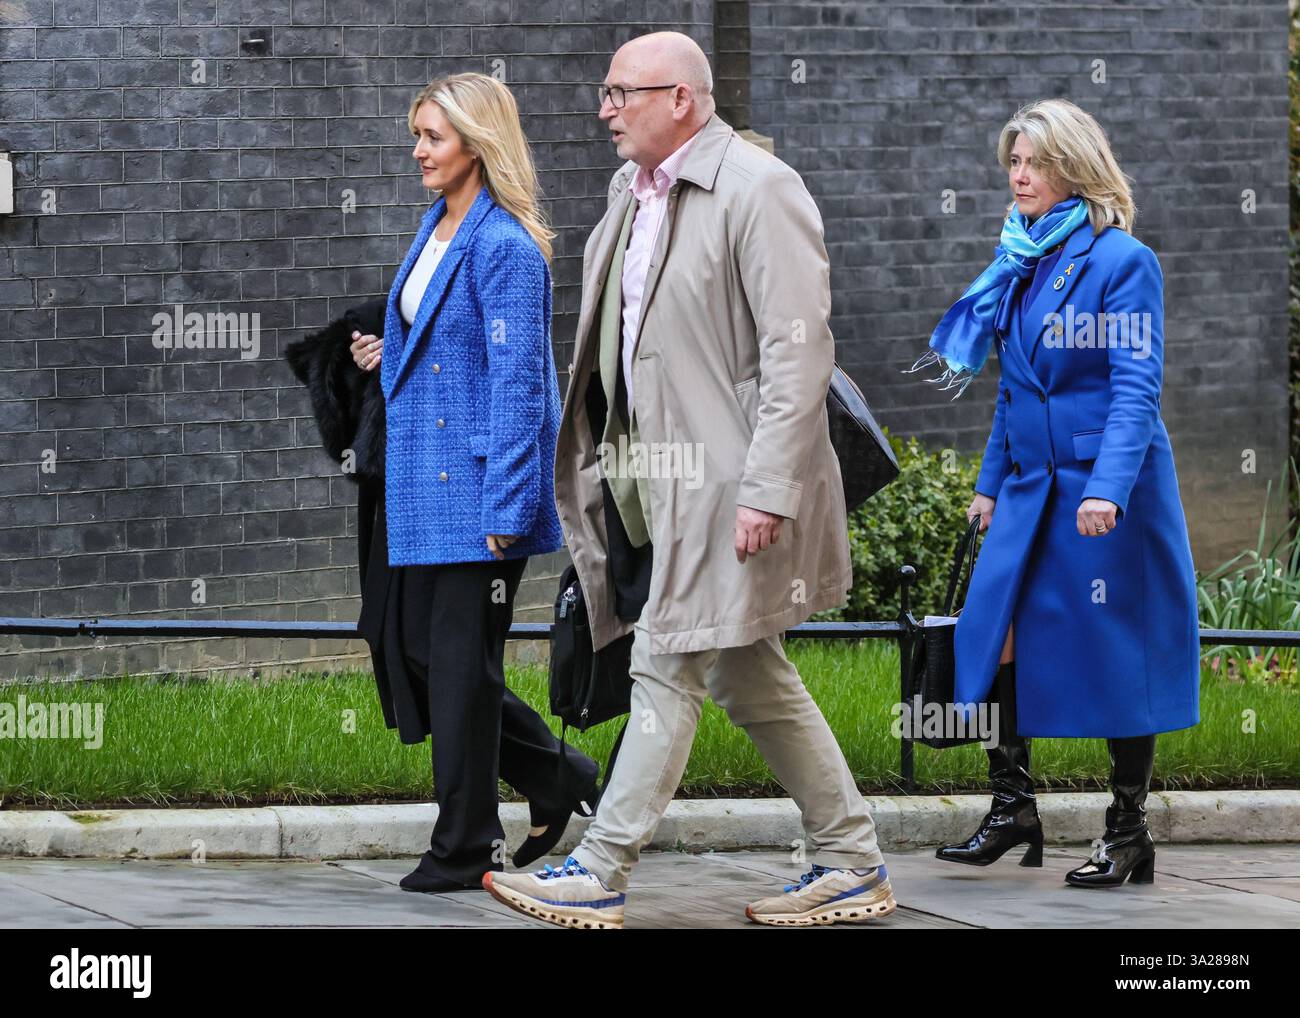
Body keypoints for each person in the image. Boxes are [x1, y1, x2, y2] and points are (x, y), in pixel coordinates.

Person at [482, 32, 894, 928]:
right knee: (748, 675)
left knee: (667, 658)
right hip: (655, 481)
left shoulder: (759, 188)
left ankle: (601, 863)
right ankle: (852, 858)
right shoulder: (630, 194)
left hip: (728, 480)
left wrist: (768, 488)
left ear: (683, 98)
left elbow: (798, 354)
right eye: (607, 92)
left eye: (622, 92)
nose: (605, 109)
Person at [913, 98, 1199, 887]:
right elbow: (1015, 392)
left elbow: (1137, 389)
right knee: (993, 630)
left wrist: (1108, 487)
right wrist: (988, 486)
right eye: (1013, 160)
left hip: (1107, 493)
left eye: (1033, 161)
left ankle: (1128, 829)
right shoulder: (1020, 260)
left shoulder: (1122, 261)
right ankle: (1013, 808)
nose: (1018, 174)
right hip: (1031, 488)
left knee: (1119, 652)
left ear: (1073, 168)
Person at [351, 72, 599, 893]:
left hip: (482, 493)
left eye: (433, 136)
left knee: (458, 666)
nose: (418, 151)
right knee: (414, 649)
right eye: (417, 135)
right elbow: (453, 348)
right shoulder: (437, 227)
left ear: (477, 143)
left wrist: (507, 508)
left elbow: (519, 384)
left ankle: (463, 845)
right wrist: (396, 357)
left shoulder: (505, 246)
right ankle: (558, 774)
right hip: (425, 488)